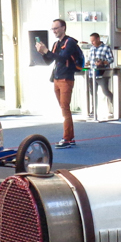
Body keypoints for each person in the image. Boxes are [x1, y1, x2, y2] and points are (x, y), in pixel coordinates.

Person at [35, 19, 84, 148]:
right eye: (53, 29)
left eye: (56, 28)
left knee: (65, 108)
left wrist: (46, 52)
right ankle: (70, 138)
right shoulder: (57, 44)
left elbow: (62, 58)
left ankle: (67, 138)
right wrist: (42, 52)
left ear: (63, 28)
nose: (54, 31)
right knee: (64, 108)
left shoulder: (70, 42)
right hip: (57, 78)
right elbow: (49, 61)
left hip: (66, 78)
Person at [86, 32, 115, 119]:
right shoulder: (91, 48)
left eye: (93, 41)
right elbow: (90, 59)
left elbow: (111, 59)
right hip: (92, 73)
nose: (92, 43)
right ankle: (93, 110)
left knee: (105, 91)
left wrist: (102, 62)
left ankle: (115, 106)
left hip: (102, 73)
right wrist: (87, 63)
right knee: (93, 93)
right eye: (91, 41)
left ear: (98, 39)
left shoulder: (106, 48)